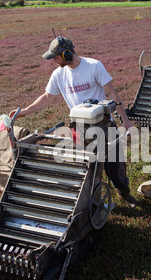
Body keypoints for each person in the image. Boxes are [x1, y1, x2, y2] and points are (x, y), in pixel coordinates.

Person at [9, 35, 137, 207]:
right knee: (86, 168)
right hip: (79, 130)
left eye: (55, 57)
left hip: (105, 126)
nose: (54, 60)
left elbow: (111, 94)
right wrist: (24, 112)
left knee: (115, 166)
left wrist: (125, 121)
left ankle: (124, 193)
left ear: (67, 53)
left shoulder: (93, 66)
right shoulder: (58, 75)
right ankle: (92, 203)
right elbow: (47, 97)